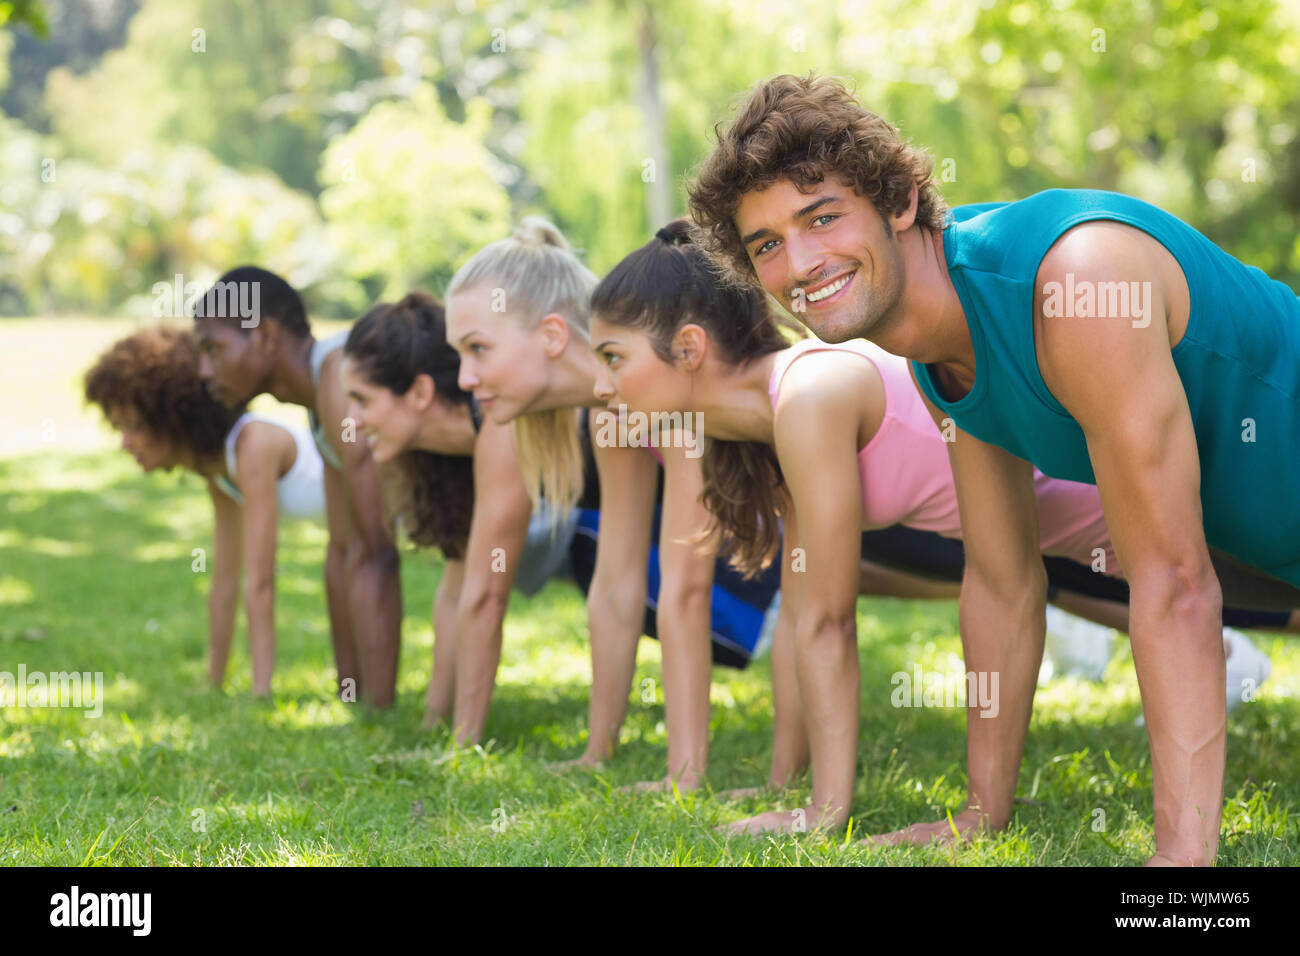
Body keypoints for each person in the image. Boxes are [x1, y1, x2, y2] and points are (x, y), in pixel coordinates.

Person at [685, 72, 1300, 864]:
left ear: (901, 201)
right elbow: (1004, 581)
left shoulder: (1075, 283)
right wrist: (980, 813)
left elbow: (1175, 582)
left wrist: (1181, 869)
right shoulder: (941, 353)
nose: (801, 263)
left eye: (822, 217)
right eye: (768, 244)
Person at [588, 219, 1297, 835]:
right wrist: (785, 785)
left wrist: (825, 814)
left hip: (1152, 506)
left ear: (687, 349)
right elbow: (803, 613)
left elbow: (831, 623)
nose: (598, 387)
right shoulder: (769, 426)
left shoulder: (808, 395)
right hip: (1094, 538)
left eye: (612, 358)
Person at [338, 289, 781, 786]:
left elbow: (486, 594)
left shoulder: (507, 425)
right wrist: (434, 722)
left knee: (832, 567)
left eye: (361, 399)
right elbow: (459, 588)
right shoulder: (459, 451)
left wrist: (460, 745)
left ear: (419, 393)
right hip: (705, 514)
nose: (348, 421)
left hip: (739, 519)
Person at [191, 267, 403, 708]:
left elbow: (376, 549)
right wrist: (351, 696)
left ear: (265, 337)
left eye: (215, 349)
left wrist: (379, 714)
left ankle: (379, 702)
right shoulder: (318, 396)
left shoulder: (338, 377)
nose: (205, 371)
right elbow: (343, 548)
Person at [84, 326, 325, 696]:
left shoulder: (253, 446)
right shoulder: (216, 468)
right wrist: (215, 682)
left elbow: (261, 581)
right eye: (119, 428)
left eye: (133, 426)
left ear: (171, 415)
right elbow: (225, 580)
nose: (125, 443)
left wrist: (261, 691)